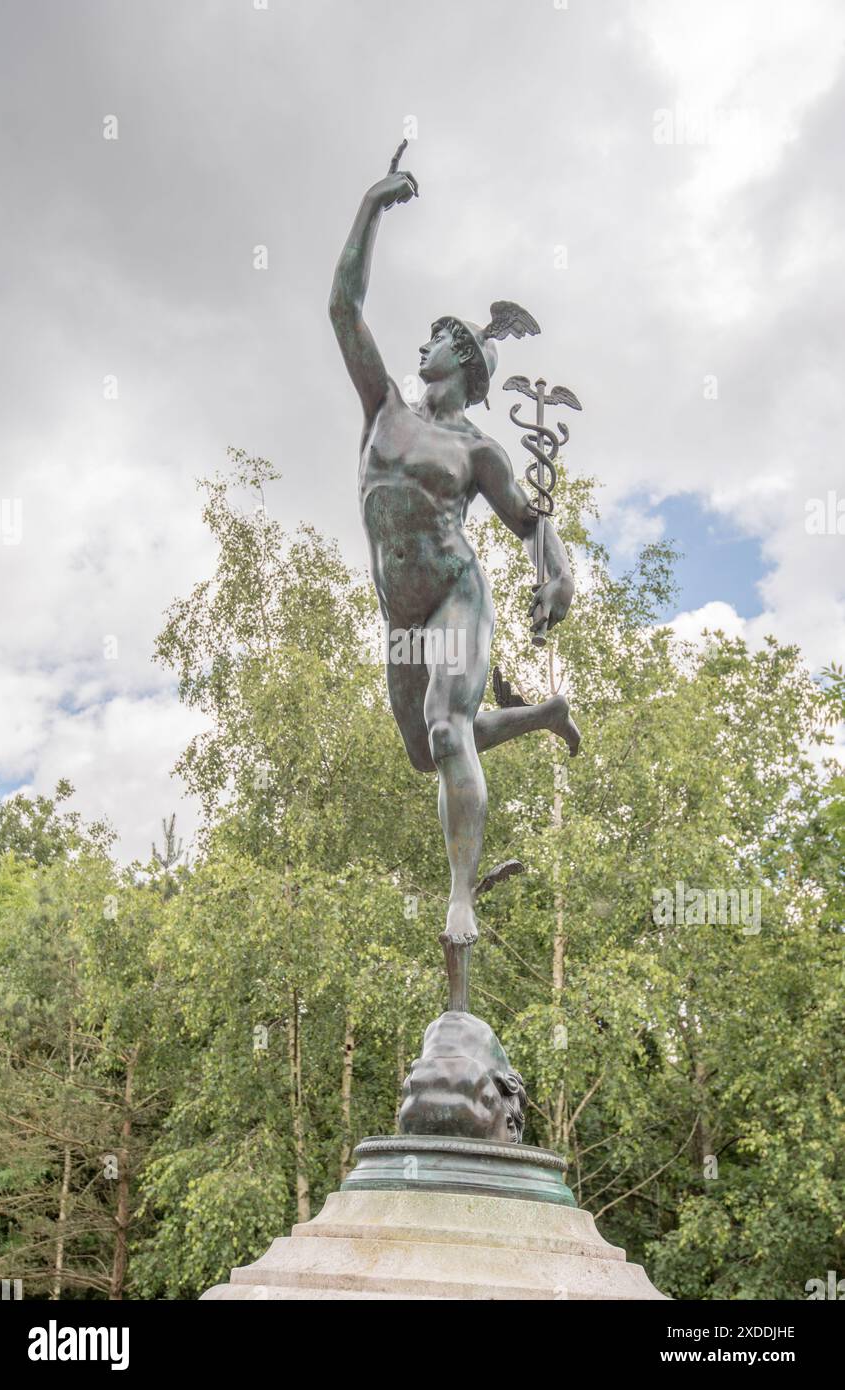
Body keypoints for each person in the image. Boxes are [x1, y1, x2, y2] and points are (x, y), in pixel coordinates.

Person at [329, 148, 579, 1007]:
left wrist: (559, 570)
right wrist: (371, 203)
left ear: (463, 360)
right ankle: (543, 713)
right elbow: (342, 306)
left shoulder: (477, 450)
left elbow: (530, 522)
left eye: (438, 336)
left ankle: (461, 893)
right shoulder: (383, 409)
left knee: (445, 730)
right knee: (419, 750)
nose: (421, 342)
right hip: (397, 611)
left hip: (454, 594)